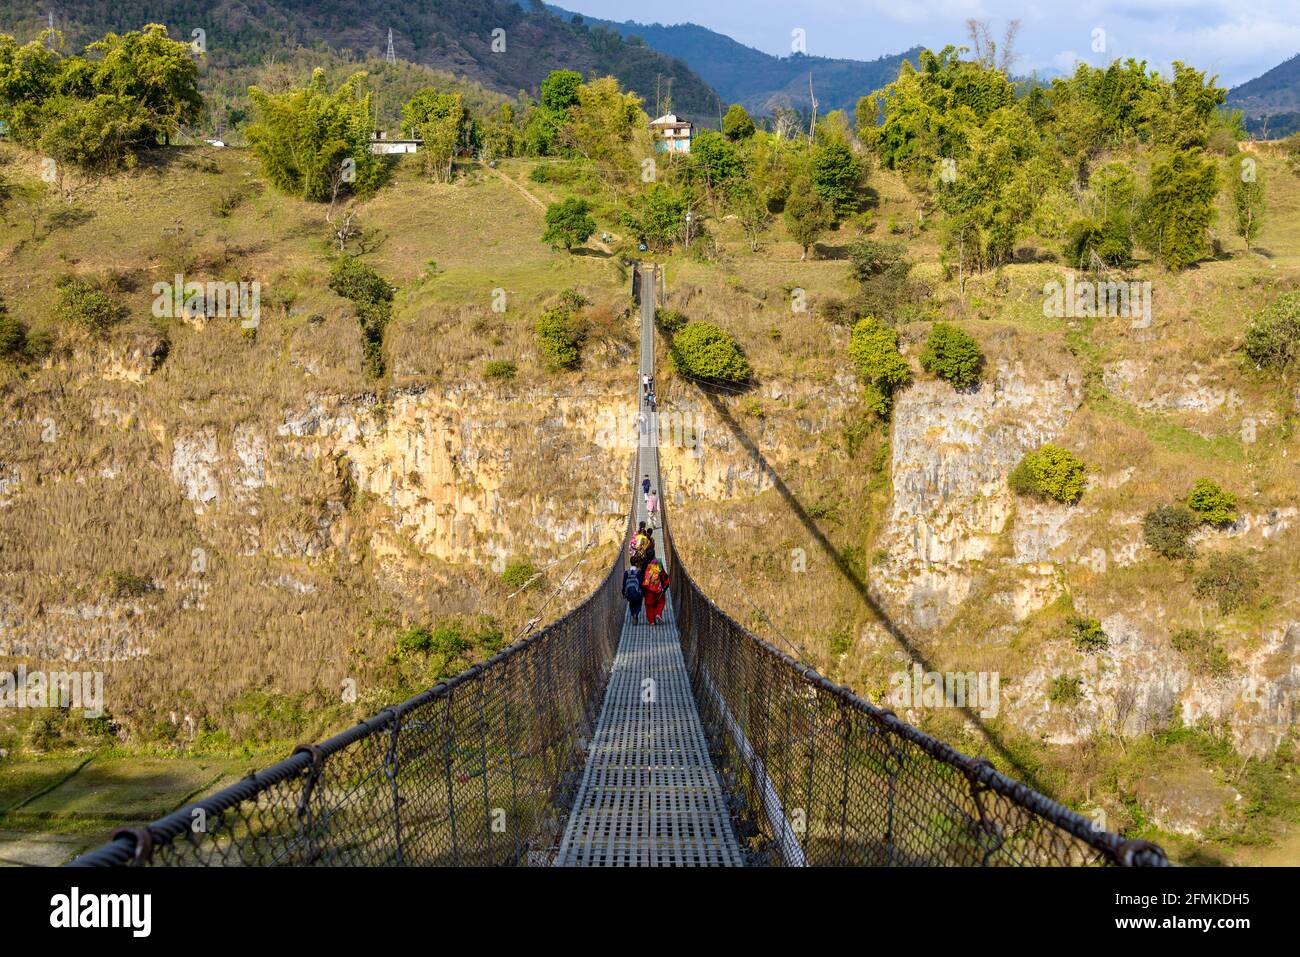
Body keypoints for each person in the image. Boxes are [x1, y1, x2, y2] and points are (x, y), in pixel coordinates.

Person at [641, 557, 670, 625]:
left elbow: (646, 580)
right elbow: (665, 577)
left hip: (649, 590)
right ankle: (658, 613)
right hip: (659, 590)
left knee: (649, 605)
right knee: (661, 602)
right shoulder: (659, 566)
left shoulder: (648, 568)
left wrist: (644, 591)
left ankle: (651, 621)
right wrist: (665, 586)